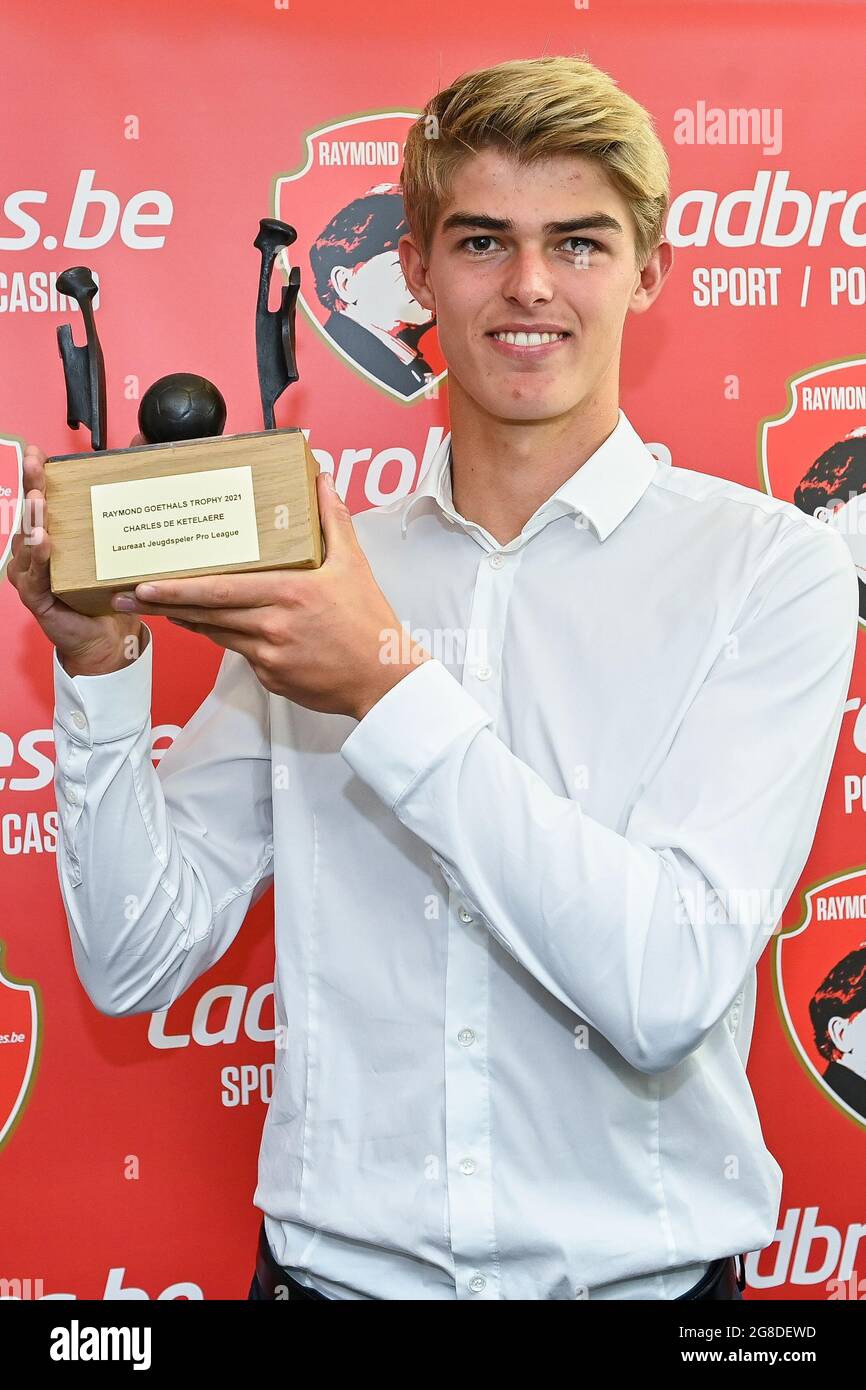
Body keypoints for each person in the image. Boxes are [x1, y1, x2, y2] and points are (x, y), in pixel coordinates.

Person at [8, 54, 859, 1301]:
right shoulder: (327, 566)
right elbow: (136, 959)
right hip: (328, 1282)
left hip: (644, 1290)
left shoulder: (766, 568)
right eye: (480, 241)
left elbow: (666, 983)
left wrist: (382, 683)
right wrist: (101, 667)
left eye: (578, 242)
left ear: (650, 270)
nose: (528, 287)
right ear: (413, 269)